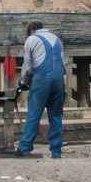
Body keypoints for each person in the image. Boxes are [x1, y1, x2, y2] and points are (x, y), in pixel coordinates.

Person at [17, 22, 67, 158]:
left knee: (34, 115)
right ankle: (56, 152)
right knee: (56, 116)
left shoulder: (31, 39)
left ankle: (25, 148)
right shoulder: (57, 39)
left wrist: (23, 83)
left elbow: (28, 66)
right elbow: (63, 63)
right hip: (59, 81)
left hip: (41, 79)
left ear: (31, 31)